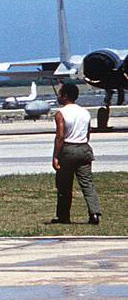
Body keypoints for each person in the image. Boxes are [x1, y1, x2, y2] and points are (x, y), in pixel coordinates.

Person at [51, 82, 100, 225]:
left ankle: (63, 216)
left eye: (60, 94)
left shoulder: (61, 113)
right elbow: (88, 132)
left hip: (68, 149)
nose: (58, 96)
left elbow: (60, 135)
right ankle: (94, 213)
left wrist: (55, 156)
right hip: (84, 148)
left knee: (64, 185)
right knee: (87, 183)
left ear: (65, 96)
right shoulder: (85, 112)